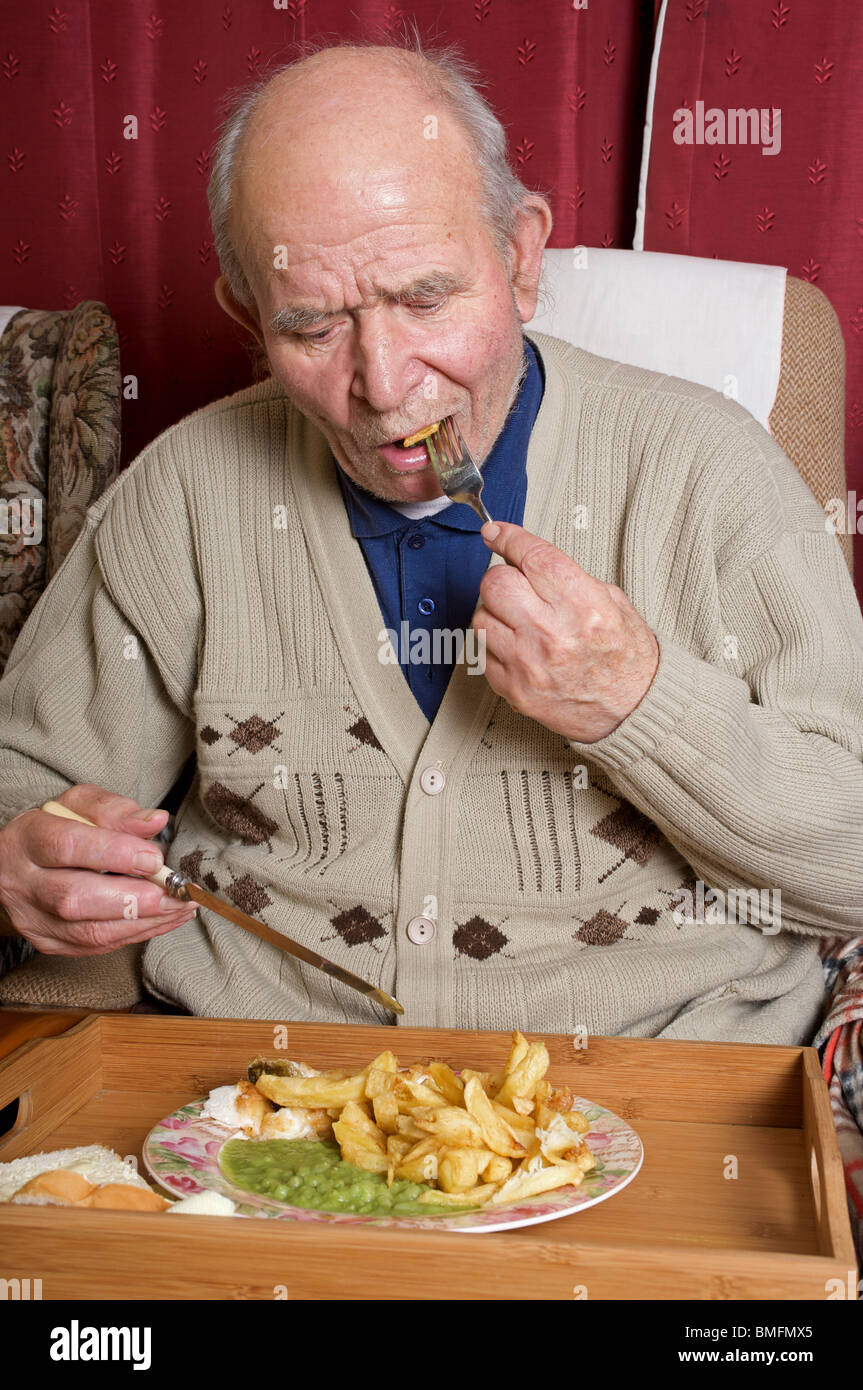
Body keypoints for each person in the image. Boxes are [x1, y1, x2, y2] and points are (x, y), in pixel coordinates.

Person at [1, 36, 862, 1042]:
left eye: (423, 298)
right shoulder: (185, 492)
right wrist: (24, 855)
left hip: (658, 1090)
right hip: (263, 1098)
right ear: (247, 313)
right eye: (313, 327)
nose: (385, 381)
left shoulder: (707, 467)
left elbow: (847, 869)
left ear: (519, 257)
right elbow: (29, 782)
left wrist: (640, 705)